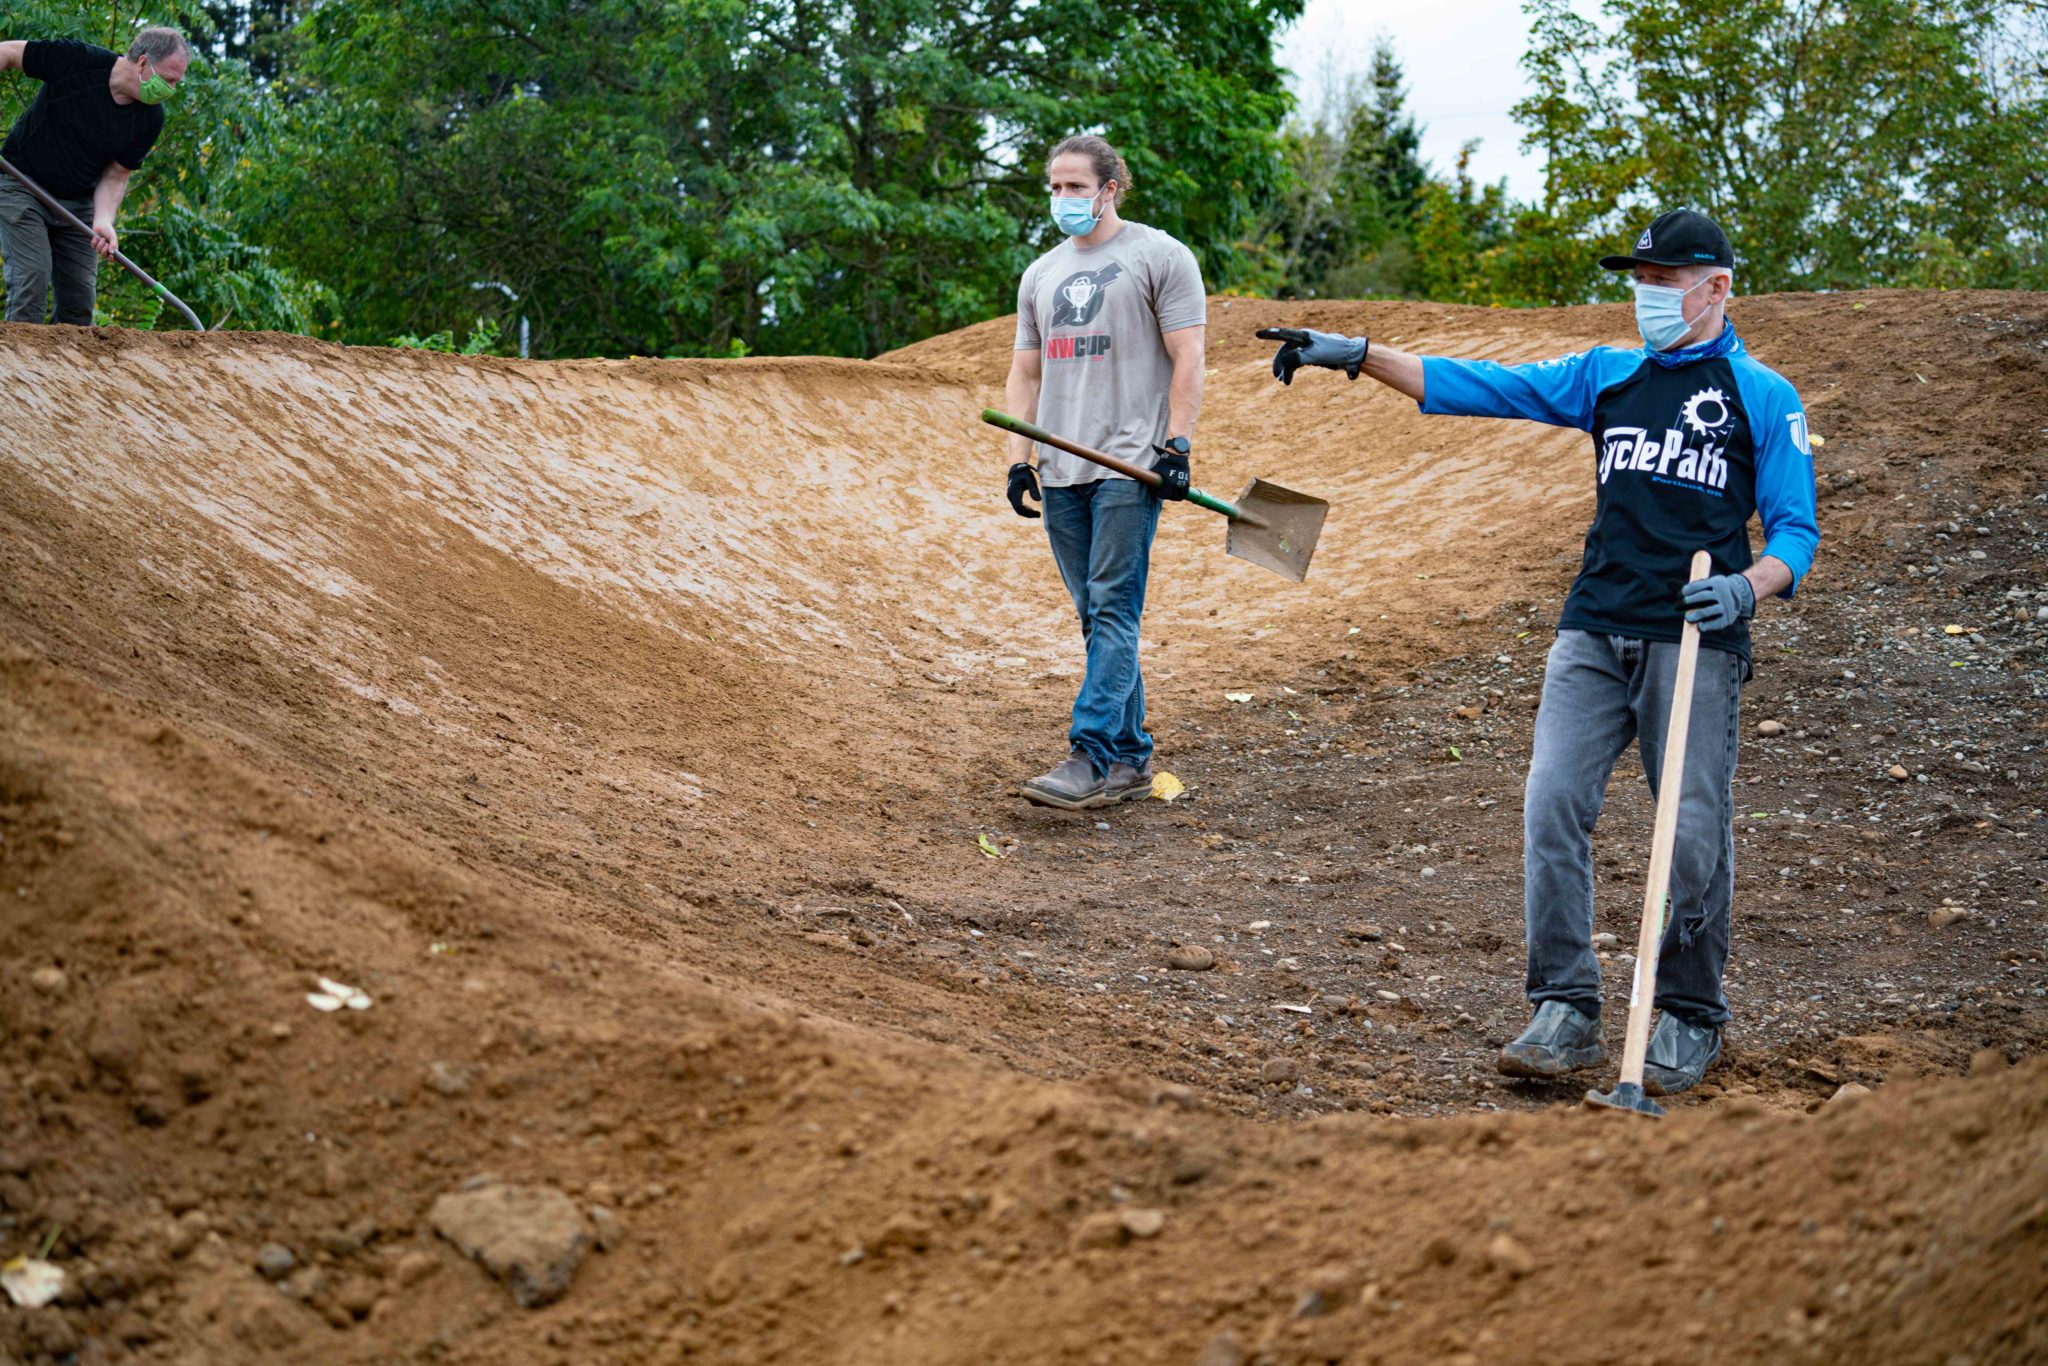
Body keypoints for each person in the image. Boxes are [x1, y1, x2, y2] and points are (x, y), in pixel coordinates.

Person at [1259, 208, 1819, 1095]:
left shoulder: (1763, 395)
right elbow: (1486, 385)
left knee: (1692, 831)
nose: (1647, 296)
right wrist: (1359, 353)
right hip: (1594, 628)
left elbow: (1796, 531)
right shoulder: (1609, 374)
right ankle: (1565, 1006)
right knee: (1552, 804)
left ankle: (1690, 1015)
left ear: (1717, 288)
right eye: (1639, 280)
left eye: (1665, 282)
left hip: (1694, 637)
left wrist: (1748, 587)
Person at [1003, 134, 1207, 810]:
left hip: (1131, 464)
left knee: (1114, 608)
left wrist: (1177, 446)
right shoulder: (1040, 273)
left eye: (1076, 187)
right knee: (1096, 616)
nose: (1063, 199)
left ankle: (1089, 754)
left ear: (1110, 187)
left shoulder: (1160, 257)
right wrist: (1018, 461)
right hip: (1061, 465)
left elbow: (1188, 356)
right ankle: (1131, 760)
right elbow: (1025, 371)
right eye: (1055, 188)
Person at [0, 27, 188, 325]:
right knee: (31, 281)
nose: (171, 90)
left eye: (177, 83)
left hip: (77, 203)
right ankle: (14, 371)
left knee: (79, 305)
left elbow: (116, 175)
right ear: (142, 63)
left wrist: (103, 221)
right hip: (20, 183)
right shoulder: (77, 60)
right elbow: (7, 53)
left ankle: (63, 372)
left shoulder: (151, 117)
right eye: (167, 80)